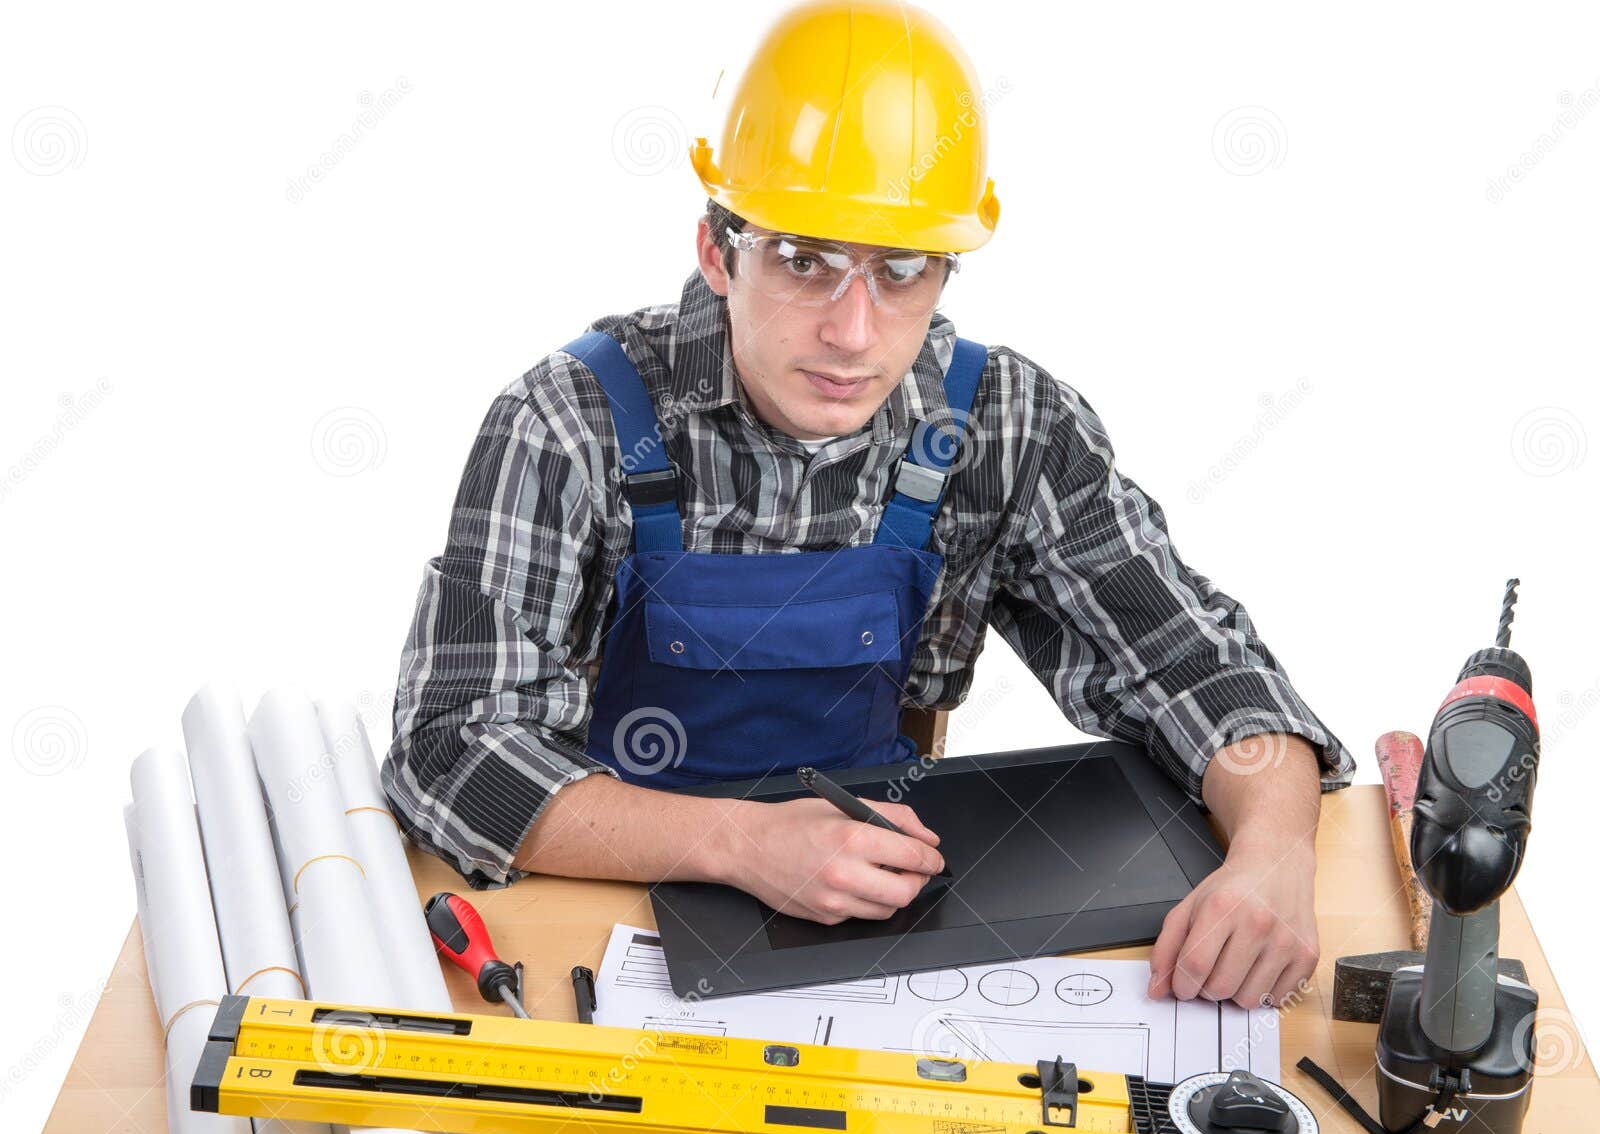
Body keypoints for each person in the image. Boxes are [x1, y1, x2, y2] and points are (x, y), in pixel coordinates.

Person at [382, 0, 1354, 1010]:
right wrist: (736, 839)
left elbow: (1193, 665)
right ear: (720, 251)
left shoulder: (1002, 423)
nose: (853, 331)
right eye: (805, 260)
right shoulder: (568, 422)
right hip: (602, 934)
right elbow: (448, 746)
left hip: (867, 930)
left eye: (900, 271)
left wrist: (1275, 849)